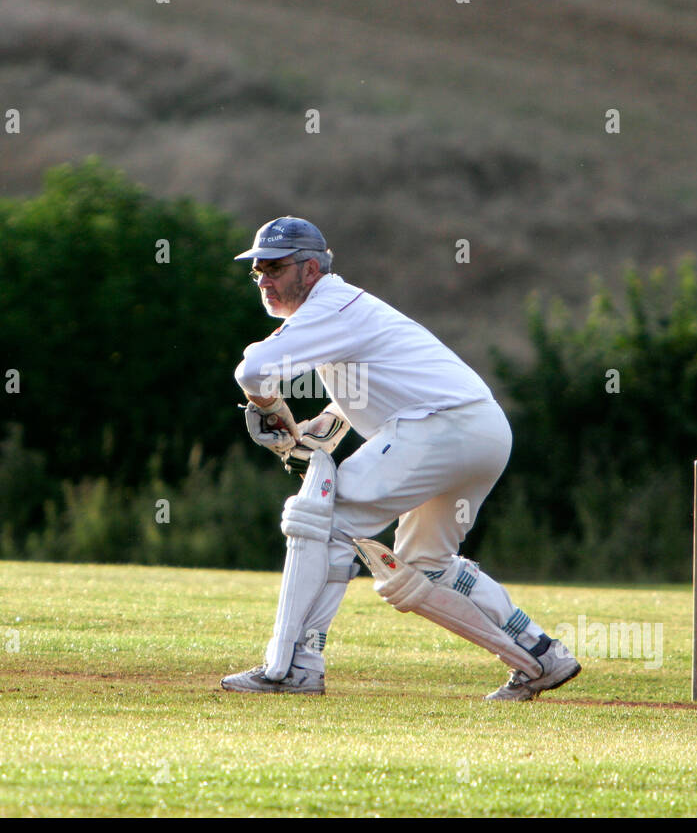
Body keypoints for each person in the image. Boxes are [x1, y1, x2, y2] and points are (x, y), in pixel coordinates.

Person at [220, 216, 580, 701]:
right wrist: (323, 429)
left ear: (310, 269)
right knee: (421, 566)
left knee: (323, 520)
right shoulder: (342, 308)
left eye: (275, 268)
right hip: (481, 430)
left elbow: (255, 369)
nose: (263, 279)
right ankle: (539, 656)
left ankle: (294, 666)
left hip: (440, 428)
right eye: (258, 270)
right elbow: (372, 384)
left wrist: (269, 408)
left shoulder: (329, 305)